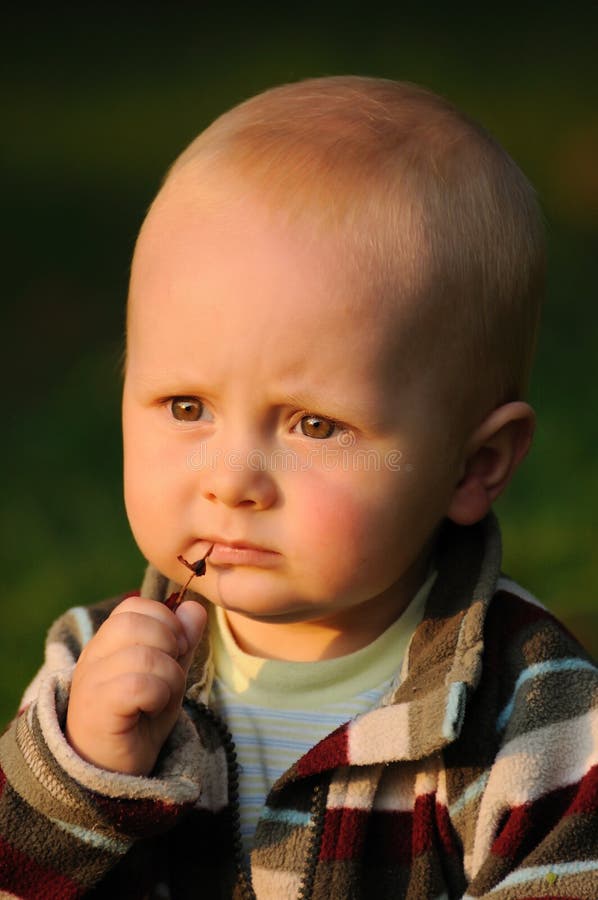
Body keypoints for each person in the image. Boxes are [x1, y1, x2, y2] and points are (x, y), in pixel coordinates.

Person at [0, 76, 596, 899]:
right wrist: (89, 778)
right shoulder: (88, 676)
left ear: (473, 465)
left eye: (314, 425)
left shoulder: (535, 715)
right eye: (186, 407)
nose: (232, 481)